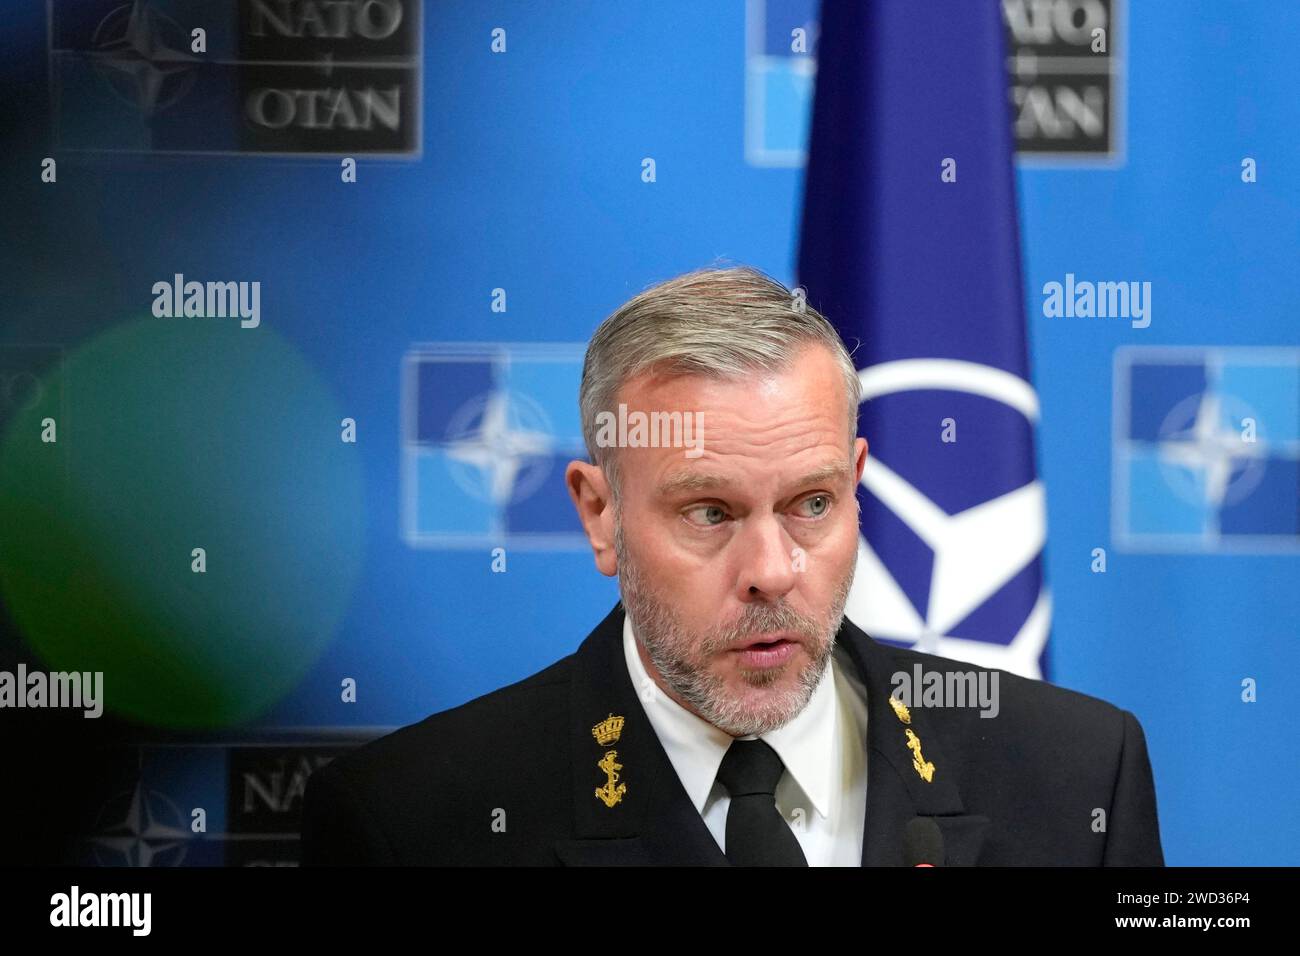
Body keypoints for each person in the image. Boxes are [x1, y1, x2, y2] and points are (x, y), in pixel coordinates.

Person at [300, 265, 1164, 866]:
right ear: (600, 515)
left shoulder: (1078, 776)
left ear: (857, 486)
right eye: (710, 513)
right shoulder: (407, 825)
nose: (773, 570)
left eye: (812, 504)